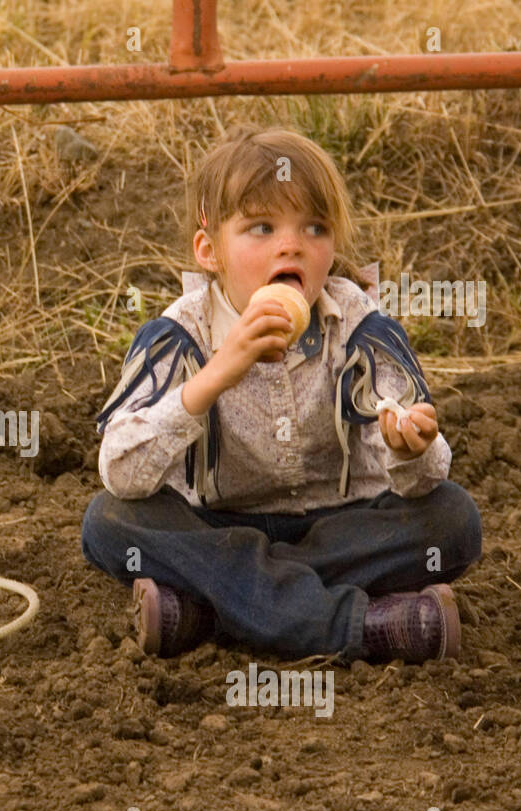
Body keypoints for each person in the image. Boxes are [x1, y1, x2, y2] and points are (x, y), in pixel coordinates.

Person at [80, 125, 482, 663]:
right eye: (261, 227)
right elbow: (122, 472)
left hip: (341, 528)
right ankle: (367, 627)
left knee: (453, 519)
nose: (291, 244)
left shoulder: (358, 327)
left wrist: (409, 450)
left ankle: (210, 611)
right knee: (109, 522)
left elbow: (422, 473)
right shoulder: (183, 335)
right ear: (209, 251)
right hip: (218, 530)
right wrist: (218, 373)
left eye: (314, 228)